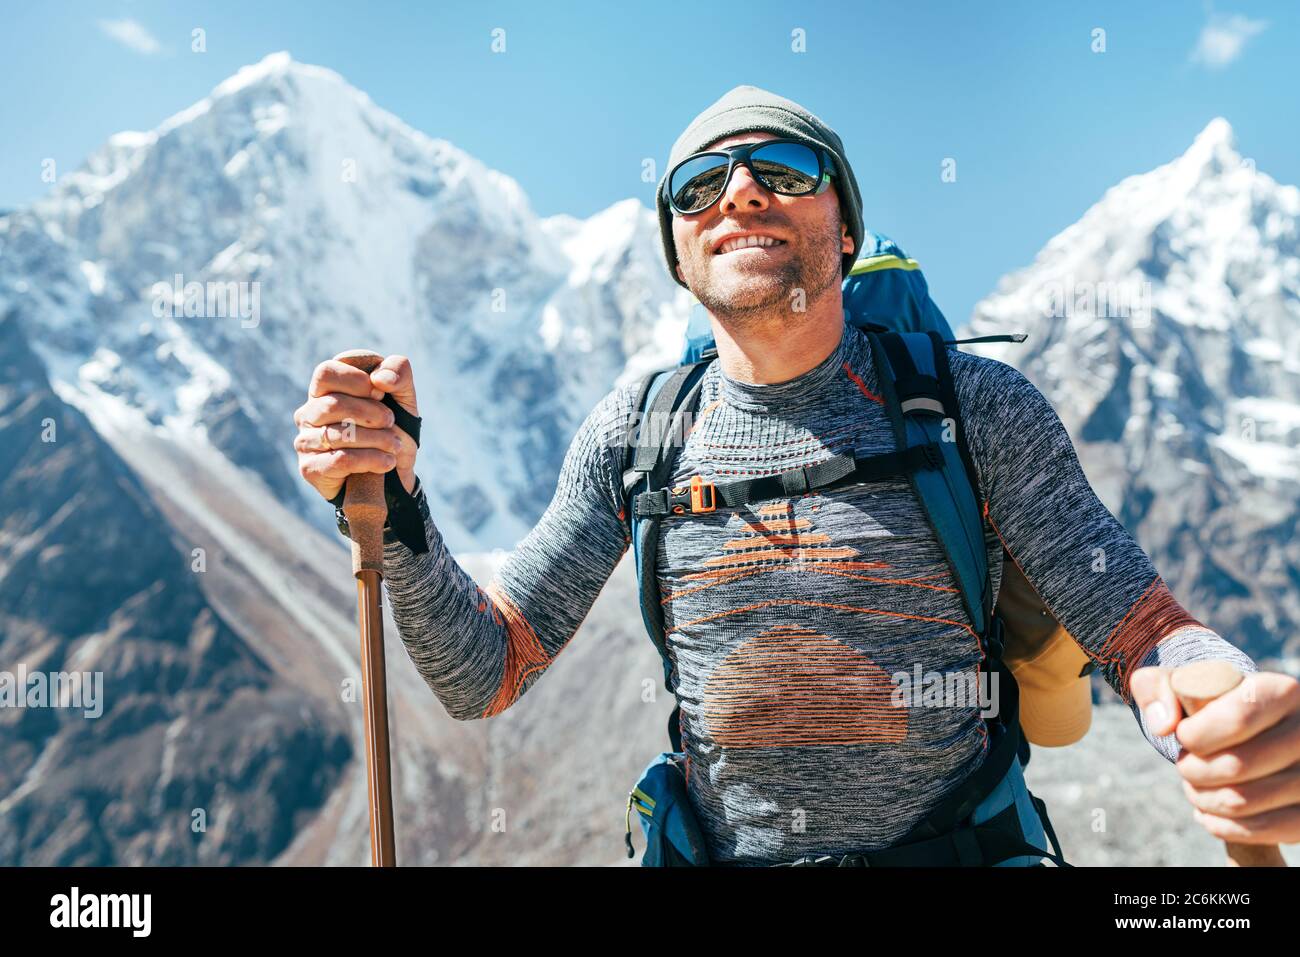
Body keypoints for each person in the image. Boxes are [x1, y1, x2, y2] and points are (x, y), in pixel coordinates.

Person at [293, 85, 1299, 865]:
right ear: (681, 257)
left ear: (844, 228)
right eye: (698, 187)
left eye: (782, 167)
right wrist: (399, 511)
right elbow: (488, 670)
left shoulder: (972, 406)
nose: (738, 193)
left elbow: (1143, 633)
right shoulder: (635, 434)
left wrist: (1221, 716)